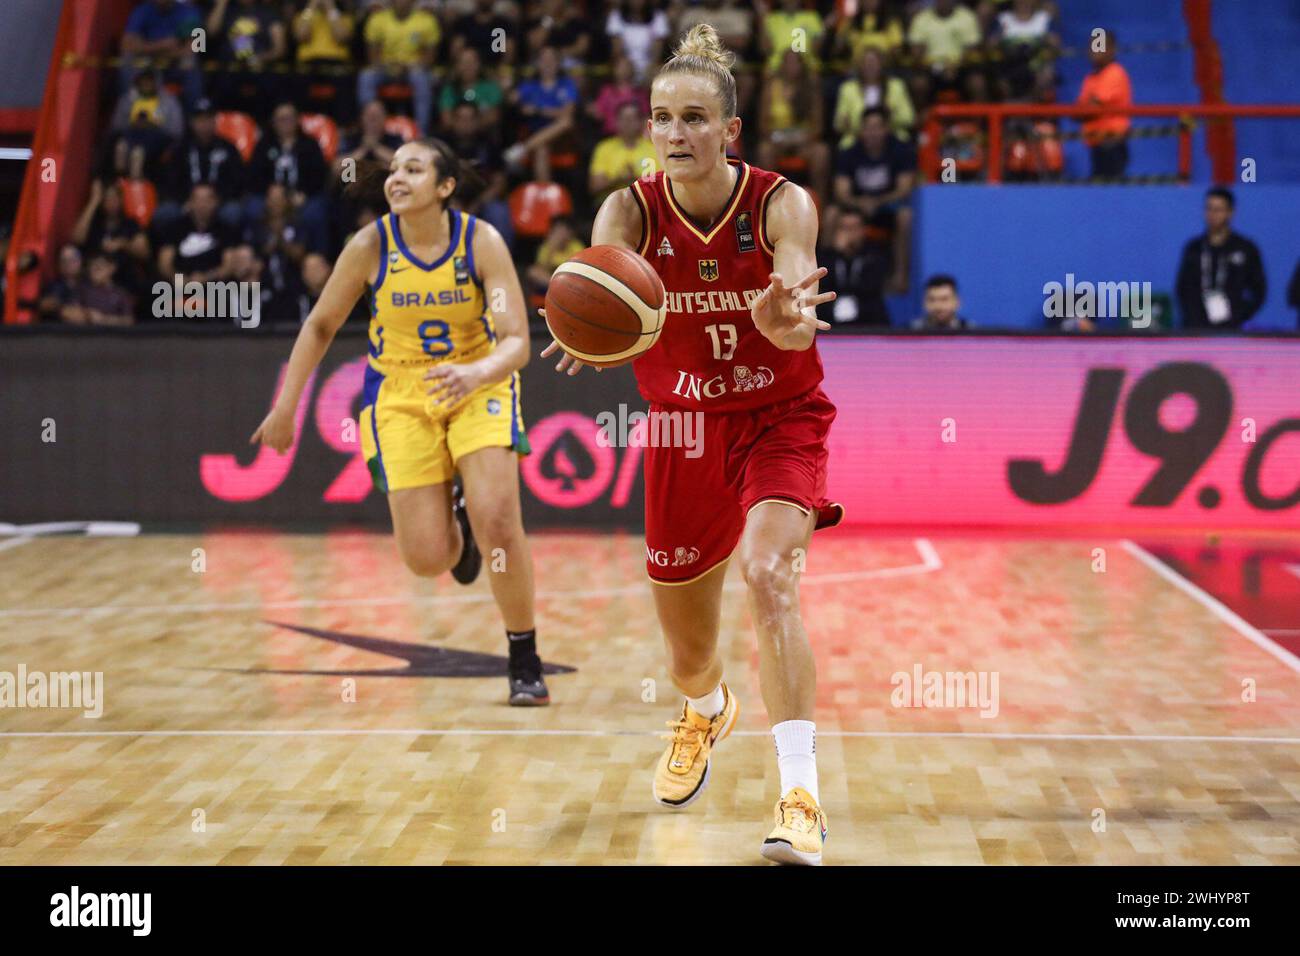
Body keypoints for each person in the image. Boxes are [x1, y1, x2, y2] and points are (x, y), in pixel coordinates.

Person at [541, 24, 840, 865]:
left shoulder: (783, 202)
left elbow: (793, 285)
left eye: (695, 118)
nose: (676, 134)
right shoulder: (628, 209)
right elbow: (604, 289)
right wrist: (589, 323)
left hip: (780, 416)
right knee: (689, 653)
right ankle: (706, 710)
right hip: (679, 426)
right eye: (662, 119)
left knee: (769, 574)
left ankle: (800, 797)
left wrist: (785, 318)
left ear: (730, 131)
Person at [250, 138, 550, 706]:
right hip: (399, 393)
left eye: (413, 169)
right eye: (393, 170)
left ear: (443, 187)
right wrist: (286, 405)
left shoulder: (480, 242)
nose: (396, 178)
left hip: (476, 381)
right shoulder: (369, 245)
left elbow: (516, 343)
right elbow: (319, 326)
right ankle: (456, 531)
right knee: (424, 559)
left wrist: (475, 372)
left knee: (500, 520)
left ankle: (523, 653)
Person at [833, 107, 916, 293]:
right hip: (857, 206)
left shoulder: (901, 150)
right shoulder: (849, 152)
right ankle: (829, 274)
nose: (872, 133)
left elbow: (904, 189)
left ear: (886, 129)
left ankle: (900, 276)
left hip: (888, 206)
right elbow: (841, 192)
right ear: (861, 130)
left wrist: (877, 202)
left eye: (877, 127)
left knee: (905, 215)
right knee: (831, 214)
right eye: (867, 128)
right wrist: (861, 203)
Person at [1175, 187, 1266, 331]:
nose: (1212, 214)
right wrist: (1192, 318)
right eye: (1209, 209)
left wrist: (1238, 316)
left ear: (1230, 212)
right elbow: (1182, 288)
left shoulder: (1245, 248)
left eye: (1218, 210)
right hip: (1195, 328)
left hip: (1231, 329)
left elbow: (1259, 291)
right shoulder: (1194, 248)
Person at [357, 0, 439, 135]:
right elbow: (372, 56)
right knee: (366, 76)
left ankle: (421, 132)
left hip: (413, 69)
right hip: (385, 68)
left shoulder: (426, 20)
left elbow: (429, 57)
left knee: (421, 79)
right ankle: (369, 129)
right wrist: (388, 66)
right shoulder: (377, 19)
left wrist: (411, 66)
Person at [817, 206, 890, 326]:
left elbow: (870, 287)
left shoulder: (875, 254)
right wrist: (839, 253)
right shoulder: (827, 256)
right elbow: (824, 285)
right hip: (831, 315)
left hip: (867, 315)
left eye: (854, 228)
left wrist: (848, 257)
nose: (849, 233)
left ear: (864, 229)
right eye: (844, 228)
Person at [1076, 28, 1131, 180]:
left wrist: (1085, 110)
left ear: (1112, 49)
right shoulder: (1091, 78)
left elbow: (1091, 108)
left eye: (1101, 46)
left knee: (1112, 192)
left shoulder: (1115, 73)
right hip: (1096, 144)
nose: (1095, 51)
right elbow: (1078, 110)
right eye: (1093, 46)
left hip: (1112, 144)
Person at [588, 102, 657, 205]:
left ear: (641, 122)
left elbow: (661, 186)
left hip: (646, 206)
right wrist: (619, 179)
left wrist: (636, 180)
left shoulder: (654, 148)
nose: (627, 123)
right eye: (623, 118)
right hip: (610, 206)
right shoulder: (604, 148)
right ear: (616, 121)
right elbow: (594, 186)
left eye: (632, 119)